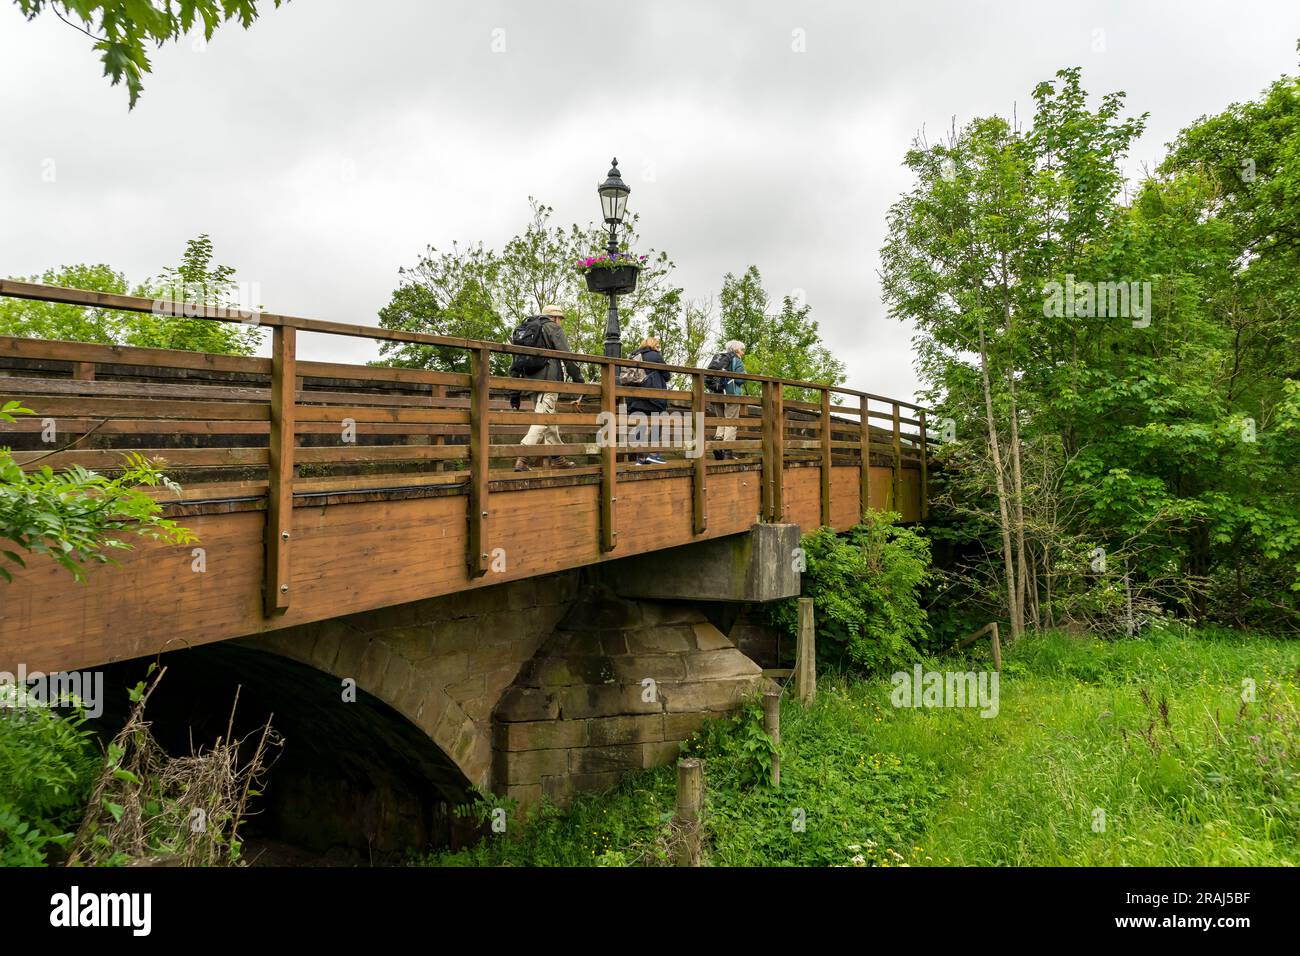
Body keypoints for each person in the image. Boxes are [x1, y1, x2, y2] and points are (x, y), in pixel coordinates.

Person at [515, 305, 586, 472]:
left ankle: (558, 458)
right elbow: (567, 355)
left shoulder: (527, 328)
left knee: (548, 417)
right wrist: (578, 377)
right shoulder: (552, 327)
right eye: (560, 318)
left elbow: (516, 358)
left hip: (530, 380)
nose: (560, 322)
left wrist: (514, 391)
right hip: (549, 380)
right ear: (554, 317)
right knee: (543, 419)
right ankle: (523, 458)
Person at [622, 336, 669, 465]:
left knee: (640, 426)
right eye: (657, 345)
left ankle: (641, 458)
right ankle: (653, 454)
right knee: (657, 422)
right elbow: (667, 375)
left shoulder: (632, 355)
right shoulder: (655, 356)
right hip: (652, 397)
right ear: (653, 345)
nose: (658, 348)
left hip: (634, 397)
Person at [707, 340, 746, 460]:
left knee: (721, 420)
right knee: (731, 422)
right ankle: (727, 452)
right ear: (736, 350)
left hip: (717, 394)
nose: (743, 352)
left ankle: (718, 446)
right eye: (742, 350)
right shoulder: (736, 360)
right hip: (731, 394)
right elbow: (740, 380)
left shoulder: (720, 359)